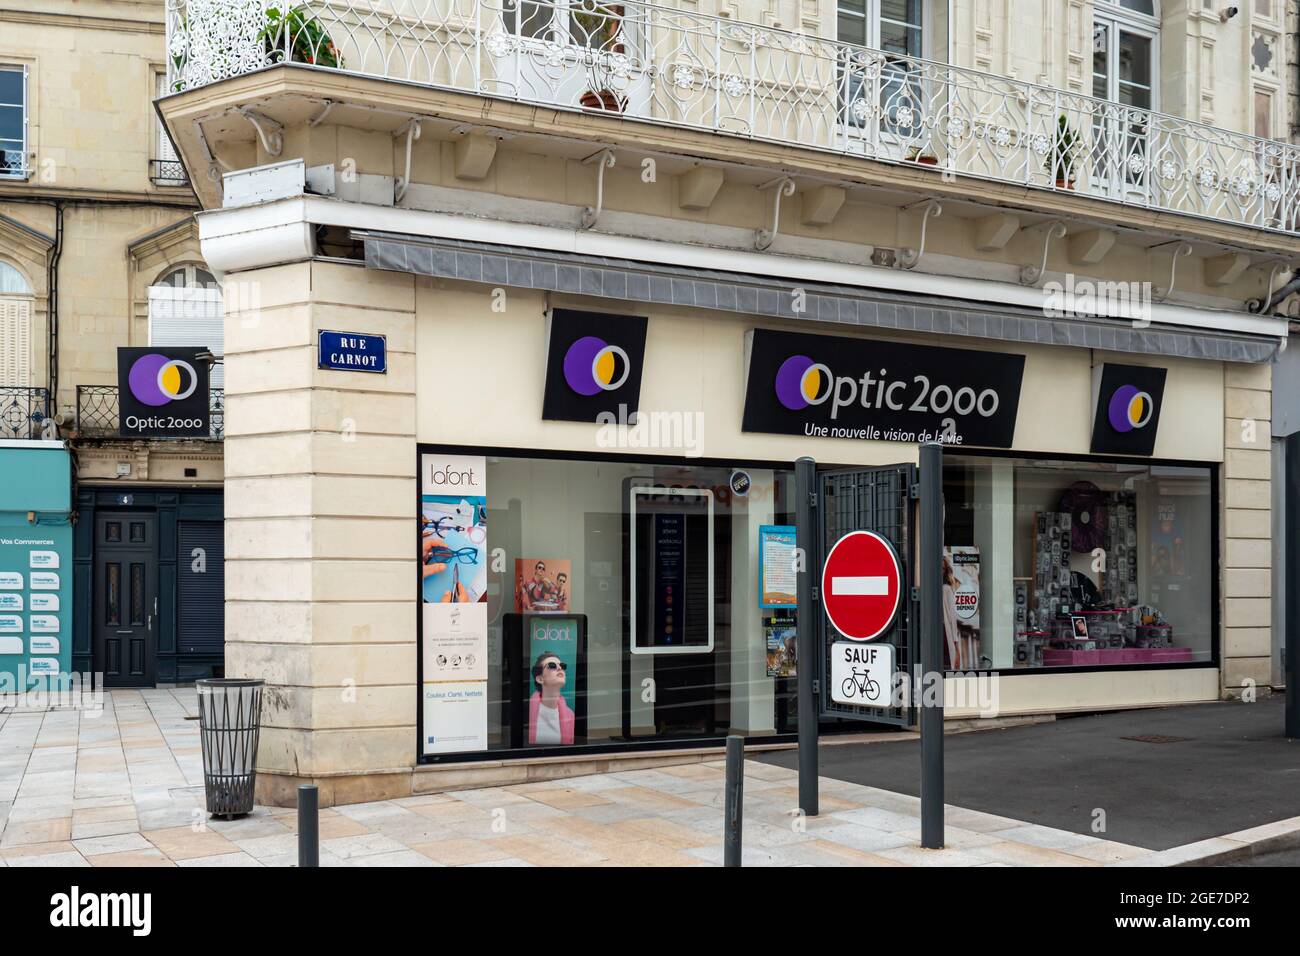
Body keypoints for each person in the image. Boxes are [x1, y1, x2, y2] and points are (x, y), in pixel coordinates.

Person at [529, 652, 575, 745]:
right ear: (540, 679)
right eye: (552, 665)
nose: (559, 668)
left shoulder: (570, 716)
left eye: (562, 665)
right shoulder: (528, 709)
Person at [942, 555, 962, 670]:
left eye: (943, 568)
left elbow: (952, 618)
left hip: (944, 631)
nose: (940, 570)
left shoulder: (946, 589)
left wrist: (955, 643)